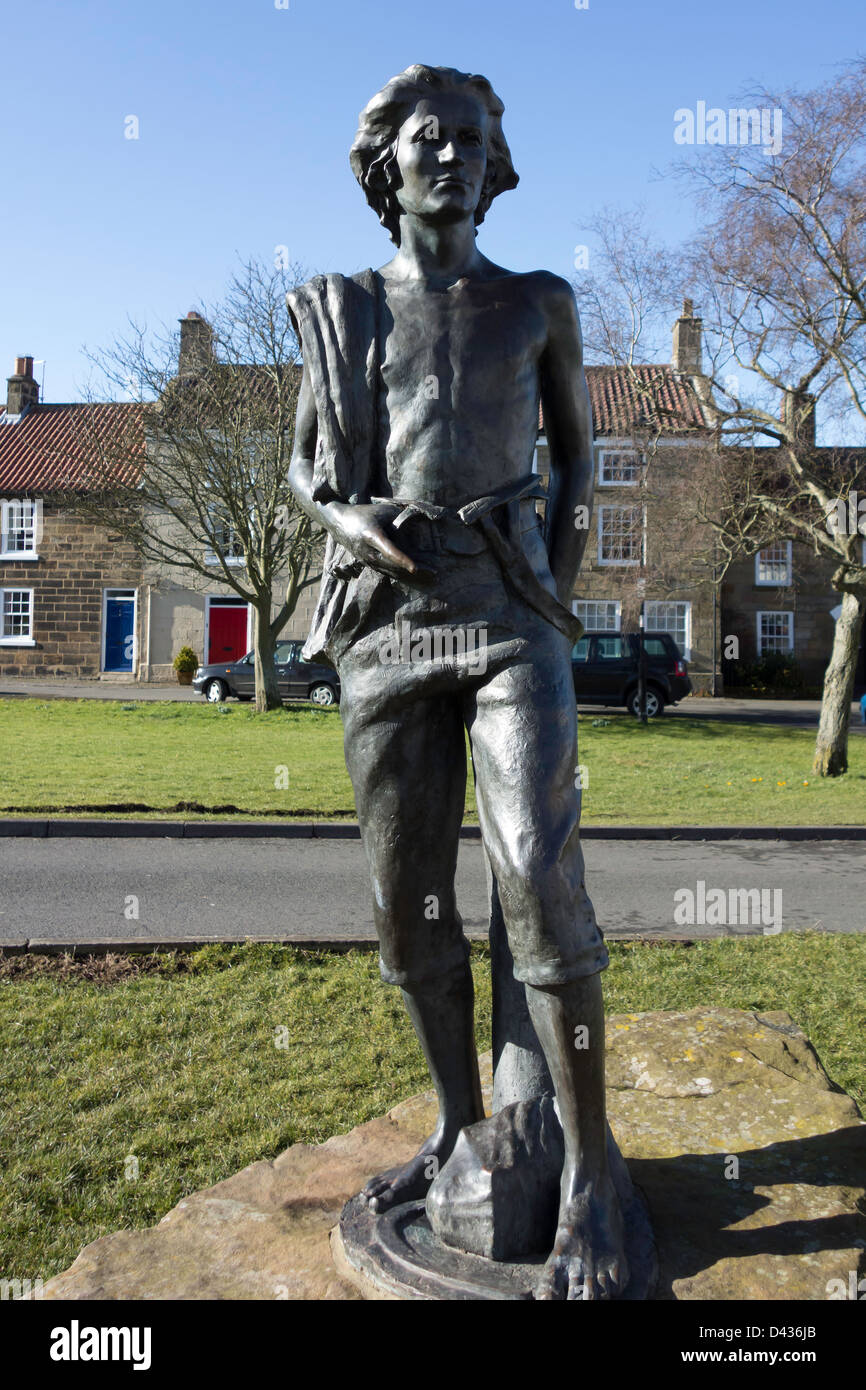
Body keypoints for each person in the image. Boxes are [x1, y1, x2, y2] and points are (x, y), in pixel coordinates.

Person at [288, 64, 626, 1300]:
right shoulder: (341, 308)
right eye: (429, 138)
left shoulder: (538, 301)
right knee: (406, 908)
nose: (454, 154)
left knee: (538, 873)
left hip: (503, 613)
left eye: (473, 138)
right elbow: (303, 473)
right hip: (382, 625)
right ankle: (451, 1122)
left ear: (494, 163)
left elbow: (580, 456)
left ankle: (590, 1176)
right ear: (387, 164)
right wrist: (346, 516)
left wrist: (556, 578)